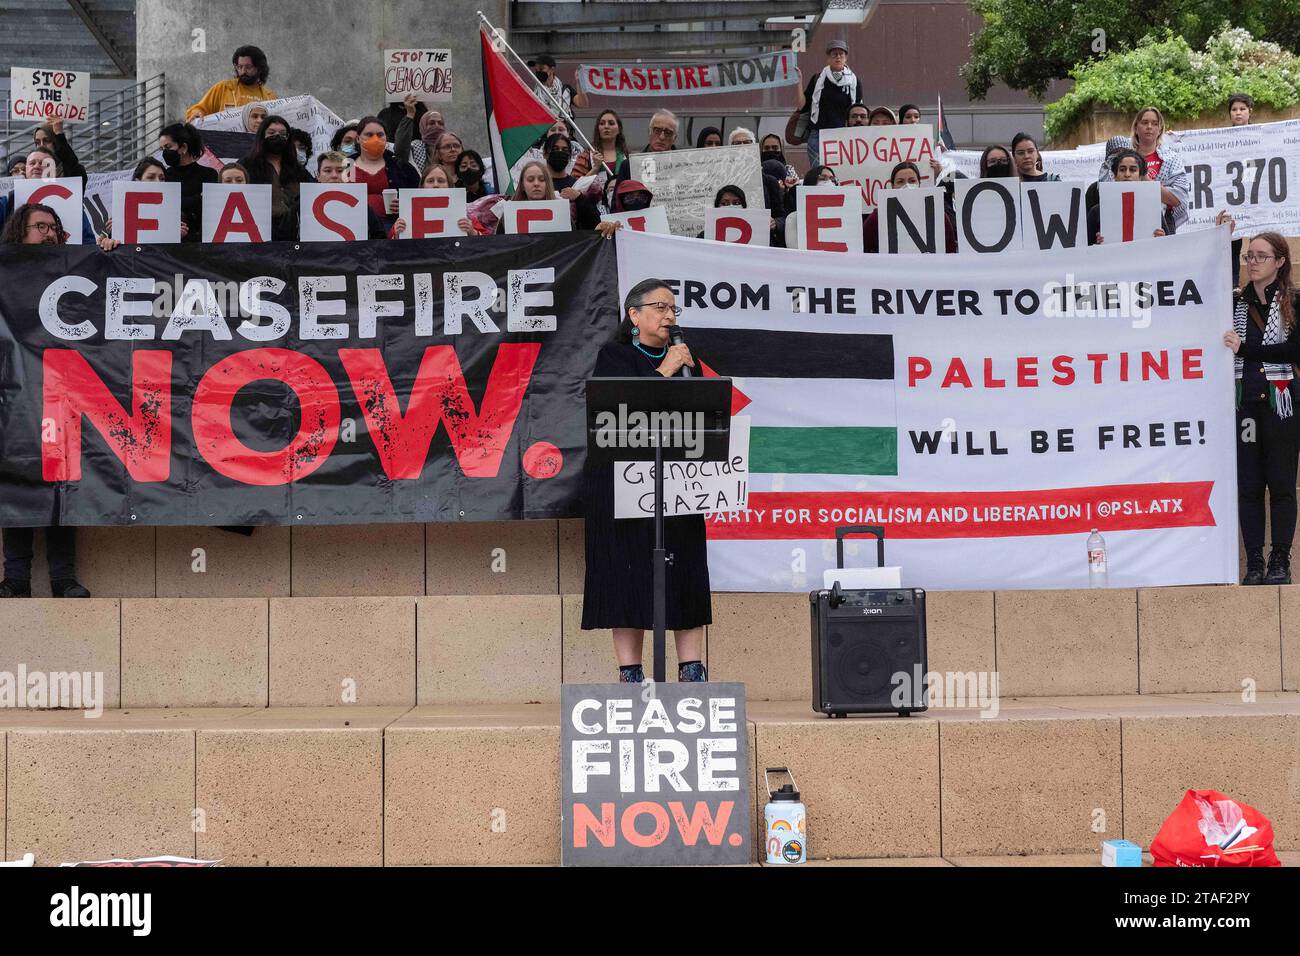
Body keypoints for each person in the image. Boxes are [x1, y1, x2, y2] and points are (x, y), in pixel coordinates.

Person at [582, 277, 710, 683]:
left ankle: (691, 669)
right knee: (627, 570)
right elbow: (617, 412)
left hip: (677, 480)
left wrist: (682, 369)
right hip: (623, 483)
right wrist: (665, 371)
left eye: (673, 309)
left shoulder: (686, 357)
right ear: (634, 315)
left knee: (685, 567)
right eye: (660, 307)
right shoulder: (614, 356)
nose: (669, 316)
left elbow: (707, 413)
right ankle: (631, 673)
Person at [0, 201, 117, 599]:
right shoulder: (5, 271)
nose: (48, 233)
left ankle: (63, 579)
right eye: (40, 226)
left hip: (62, 396)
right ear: (20, 231)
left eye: (53, 227)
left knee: (61, 488)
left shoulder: (73, 268)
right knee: (16, 484)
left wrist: (108, 253)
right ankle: (15, 579)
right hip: (17, 396)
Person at [1222, 232, 1300, 585]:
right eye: (1249, 256)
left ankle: (1279, 559)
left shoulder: (1294, 302)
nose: (1252, 262)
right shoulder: (1235, 304)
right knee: (1249, 486)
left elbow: (1292, 351)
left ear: (1280, 261)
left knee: (1281, 485)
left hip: (1282, 405)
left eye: (1261, 256)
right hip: (1246, 405)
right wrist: (1227, 242)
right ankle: (1254, 561)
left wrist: (1246, 350)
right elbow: (1212, 280)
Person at [1097, 107, 1189, 235]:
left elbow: (1178, 199)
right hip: (1122, 221)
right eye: (1145, 122)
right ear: (1136, 128)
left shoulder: (1171, 159)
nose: (1149, 127)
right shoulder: (1122, 157)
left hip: (1162, 224)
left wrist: (1144, 178)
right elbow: (1106, 193)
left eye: (1154, 123)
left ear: (1160, 129)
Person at [794, 37, 862, 165]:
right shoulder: (818, 79)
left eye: (841, 54)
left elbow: (859, 109)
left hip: (843, 136)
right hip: (818, 136)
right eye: (834, 54)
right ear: (828, 58)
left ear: (846, 58)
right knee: (818, 173)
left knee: (842, 173)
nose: (838, 57)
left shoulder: (854, 81)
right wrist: (798, 82)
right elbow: (802, 105)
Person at [863, 161, 957, 253]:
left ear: (919, 183)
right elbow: (865, 249)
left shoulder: (937, 214)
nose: (907, 185)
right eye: (900, 182)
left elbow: (950, 250)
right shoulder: (878, 216)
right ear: (892, 186)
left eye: (912, 181)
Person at [344, 115, 418, 228]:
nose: (375, 139)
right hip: (353, 225)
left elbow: (418, 195)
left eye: (380, 135)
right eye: (369, 135)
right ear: (358, 139)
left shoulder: (398, 165)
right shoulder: (348, 163)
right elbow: (336, 191)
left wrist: (405, 204)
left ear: (386, 138)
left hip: (392, 226)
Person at [241, 114, 315, 222]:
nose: (277, 137)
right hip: (260, 226)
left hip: (294, 228)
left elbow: (314, 191)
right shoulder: (247, 165)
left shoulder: (297, 169)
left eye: (283, 134)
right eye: (271, 133)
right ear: (262, 136)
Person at [1086, 149, 1167, 244]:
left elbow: (1170, 247)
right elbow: (1083, 247)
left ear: (1141, 176)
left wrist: (1162, 239)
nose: (1127, 174)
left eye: (1133, 170)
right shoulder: (1096, 212)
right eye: (1122, 170)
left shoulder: (1153, 211)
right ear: (1115, 176)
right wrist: (1096, 244)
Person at [160, 121, 218, 241]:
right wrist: (197, 199)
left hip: (201, 240)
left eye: (168, 147)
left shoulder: (209, 175)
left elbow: (211, 208)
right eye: (162, 149)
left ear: (183, 148)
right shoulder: (163, 176)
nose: (164, 152)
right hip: (171, 241)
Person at [186, 45, 276, 120]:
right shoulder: (223, 88)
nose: (243, 71)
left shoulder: (269, 96)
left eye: (248, 67)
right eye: (240, 67)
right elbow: (199, 109)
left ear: (259, 68)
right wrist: (196, 113)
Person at [615, 110, 677, 184]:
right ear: (649, 132)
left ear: (674, 138)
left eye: (668, 133)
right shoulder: (629, 166)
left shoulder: (686, 166)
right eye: (657, 130)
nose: (662, 137)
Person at [395, 98, 445, 174]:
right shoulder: (415, 147)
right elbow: (400, 151)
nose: (436, 126)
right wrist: (410, 114)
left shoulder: (449, 147)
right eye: (431, 123)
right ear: (423, 126)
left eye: (440, 123)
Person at [573, 109, 626, 178]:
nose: (606, 126)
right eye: (602, 123)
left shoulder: (626, 156)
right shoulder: (586, 155)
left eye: (611, 123)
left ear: (619, 129)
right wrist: (596, 168)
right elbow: (576, 183)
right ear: (598, 129)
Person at [33, 119, 86, 184]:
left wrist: (59, 134)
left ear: (55, 142)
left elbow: (71, 164)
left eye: (47, 140)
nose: (42, 145)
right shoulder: (32, 168)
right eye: (37, 142)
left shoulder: (72, 170)